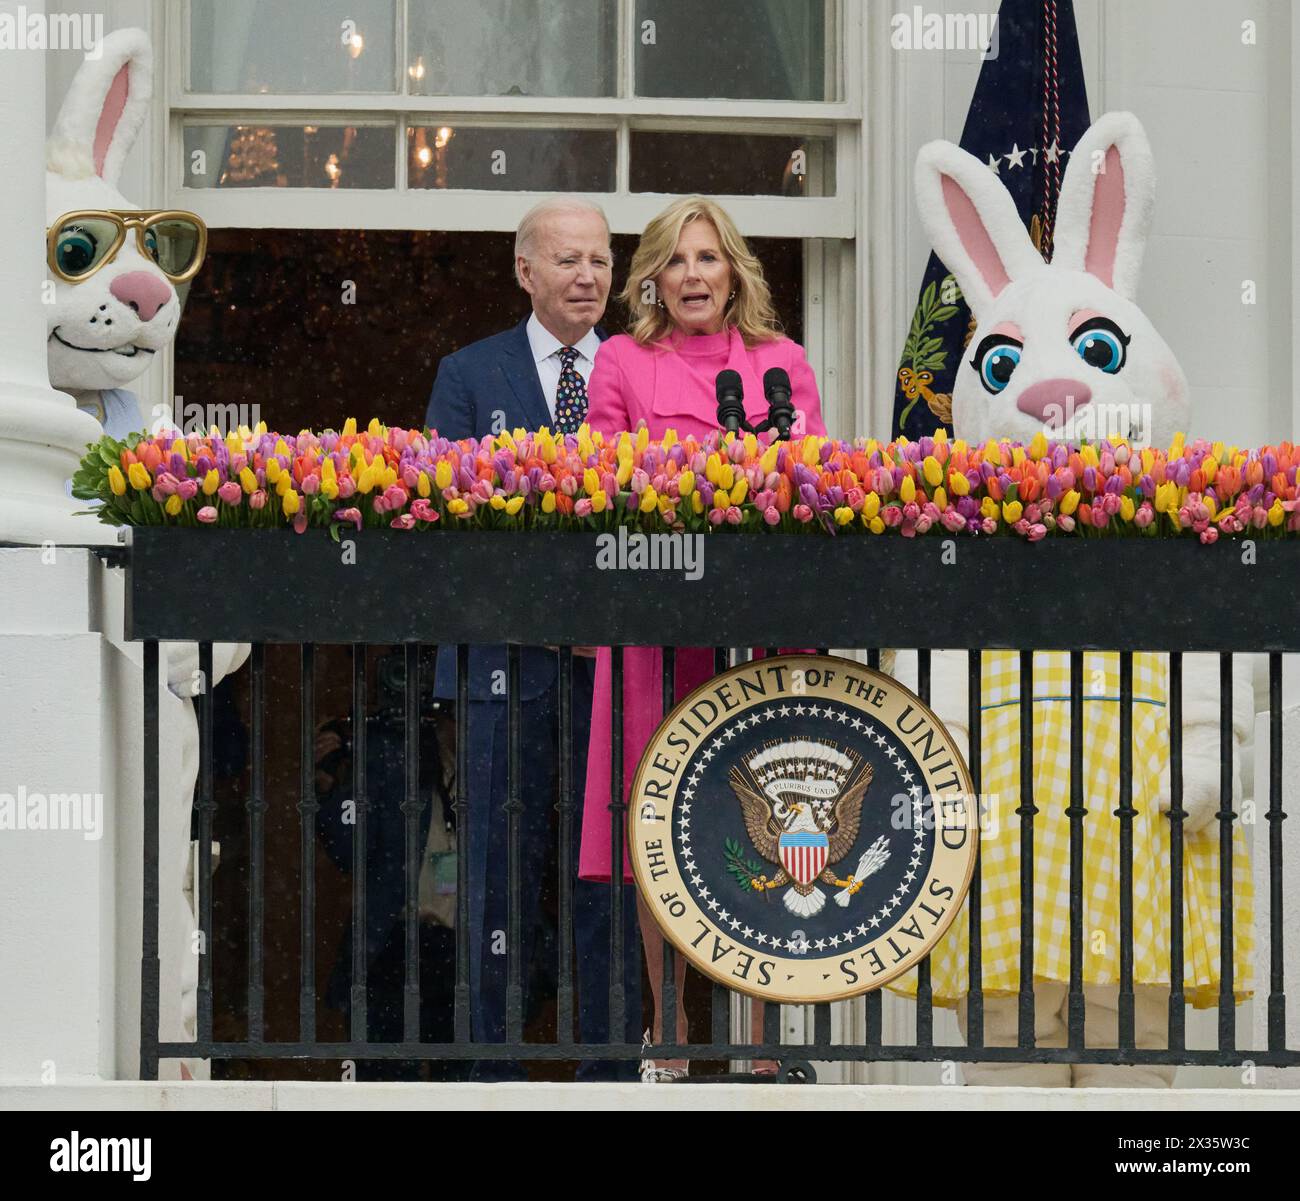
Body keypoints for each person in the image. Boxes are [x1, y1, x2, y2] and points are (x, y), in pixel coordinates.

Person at [578, 197, 826, 1079]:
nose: (692, 275)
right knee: (661, 824)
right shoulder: (621, 360)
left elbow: (815, 488)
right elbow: (597, 486)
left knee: (764, 819)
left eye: (709, 259)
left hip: (754, 637)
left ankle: (761, 1041)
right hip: (655, 631)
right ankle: (672, 1027)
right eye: (677, 261)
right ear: (652, 276)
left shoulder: (780, 364)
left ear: (734, 274)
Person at [424, 196, 642, 1081]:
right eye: (567, 261)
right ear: (525, 271)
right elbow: (440, 521)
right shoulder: (470, 374)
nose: (588, 276)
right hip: (503, 665)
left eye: (599, 260)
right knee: (497, 871)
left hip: (610, 666)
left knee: (610, 868)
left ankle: (610, 1065)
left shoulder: (634, 370)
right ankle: (494, 1065)